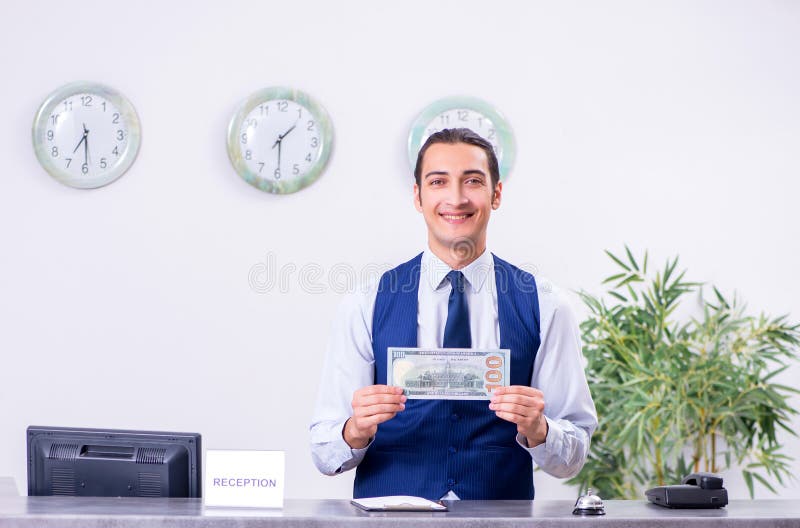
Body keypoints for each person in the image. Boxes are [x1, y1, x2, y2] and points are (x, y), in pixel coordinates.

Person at [310, 128, 597, 500]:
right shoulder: (365, 302)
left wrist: (540, 429)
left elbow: (571, 459)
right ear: (418, 196)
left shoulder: (546, 304)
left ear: (496, 194)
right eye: (438, 181)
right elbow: (323, 452)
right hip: (390, 526)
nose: (456, 198)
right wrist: (354, 430)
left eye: (473, 181)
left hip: (501, 527)